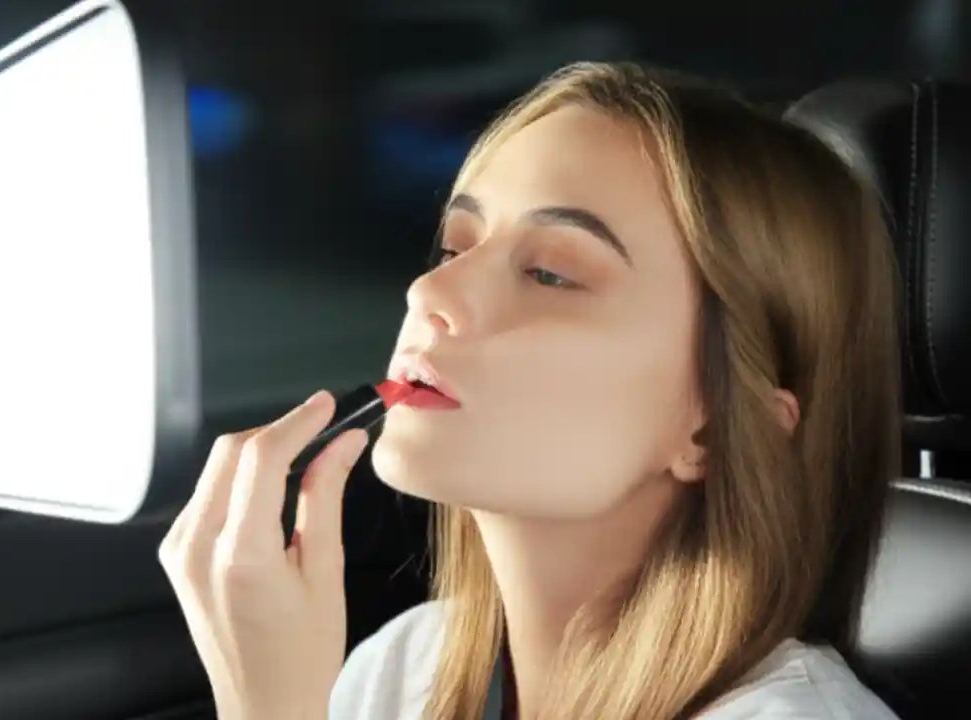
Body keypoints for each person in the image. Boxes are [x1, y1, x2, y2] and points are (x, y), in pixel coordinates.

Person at [158, 61, 903, 720]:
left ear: (714, 427)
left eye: (549, 273)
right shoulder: (401, 670)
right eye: (457, 245)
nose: (430, 289)